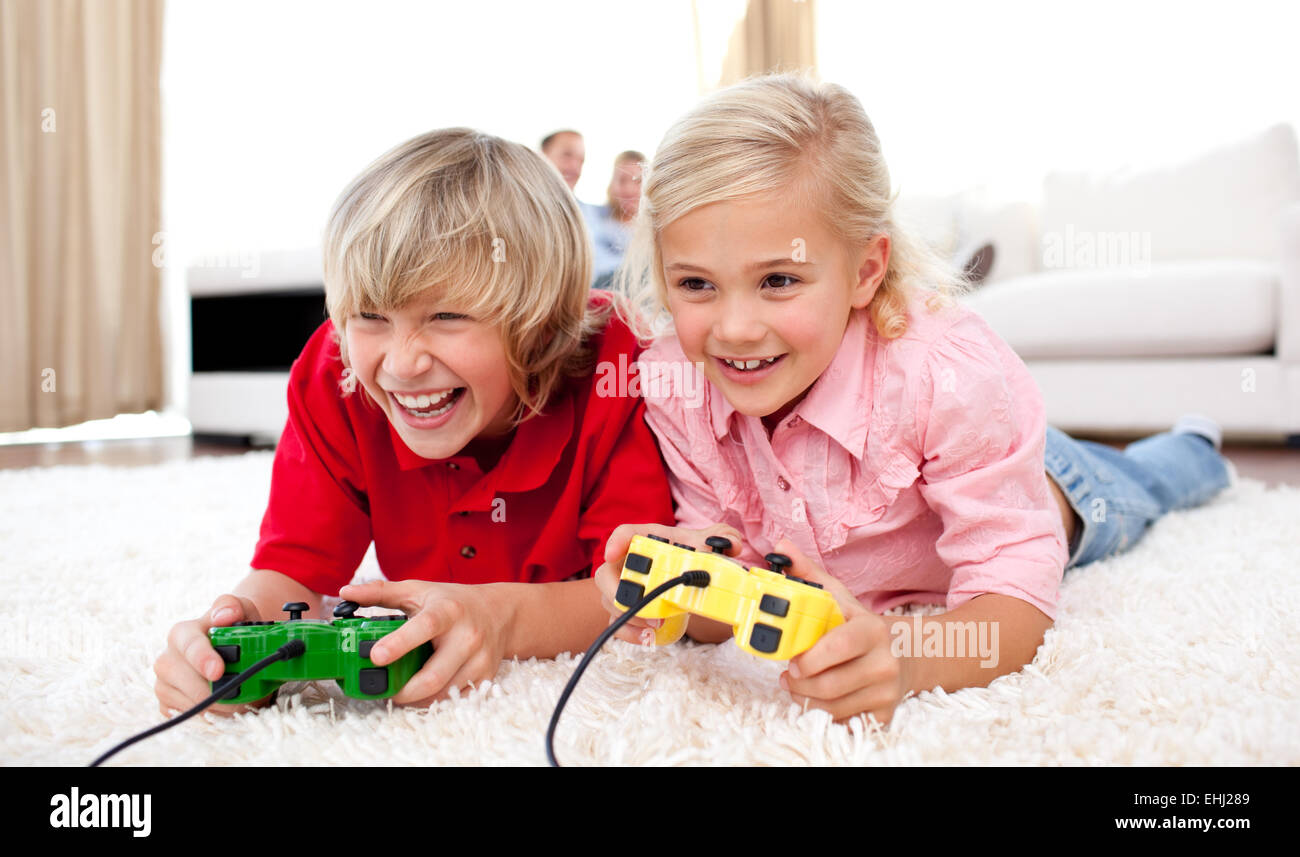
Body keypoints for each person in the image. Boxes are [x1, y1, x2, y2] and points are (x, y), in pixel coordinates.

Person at [595, 74, 1232, 725]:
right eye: (697, 283)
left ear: (866, 270)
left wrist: (908, 656)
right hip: (982, 446)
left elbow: (1015, 602)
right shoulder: (677, 379)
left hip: (1054, 485)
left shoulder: (944, 373)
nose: (733, 328)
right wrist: (674, 581)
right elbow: (726, 593)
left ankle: (1193, 445)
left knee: (1148, 482)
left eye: (778, 280)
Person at [154, 128, 674, 716]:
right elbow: (292, 571)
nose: (401, 364)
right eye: (370, 316)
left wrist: (501, 619)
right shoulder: (336, 373)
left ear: (546, 324)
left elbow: (646, 594)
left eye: (447, 316)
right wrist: (237, 632)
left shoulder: (622, 368)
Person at [584, 151, 645, 289]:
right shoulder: (595, 219)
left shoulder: (654, 230)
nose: (629, 190)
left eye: (637, 181)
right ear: (612, 183)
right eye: (622, 180)